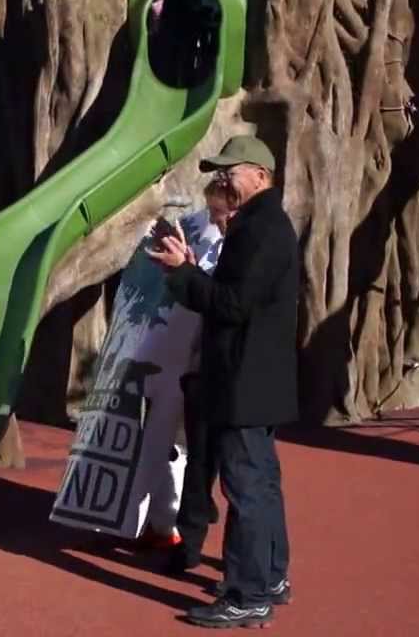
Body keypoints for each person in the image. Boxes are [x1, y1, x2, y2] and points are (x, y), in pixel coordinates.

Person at [148, 136, 298, 629]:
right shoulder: (262, 225)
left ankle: (248, 592)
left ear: (260, 174)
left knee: (248, 490)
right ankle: (269, 577)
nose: (222, 180)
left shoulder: (260, 230)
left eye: (230, 172)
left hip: (243, 380)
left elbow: (233, 304)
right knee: (263, 485)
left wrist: (183, 273)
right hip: (255, 380)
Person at [167, 179, 236, 572]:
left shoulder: (246, 250)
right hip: (198, 368)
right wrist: (189, 270)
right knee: (198, 464)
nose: (215, 222)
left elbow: (223, 301)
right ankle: (188, 542)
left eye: (219, 214)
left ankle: (241, 558)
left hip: (230, 373)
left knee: (236, 471)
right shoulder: (213, 246)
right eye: (211, 215)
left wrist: (191, 275)